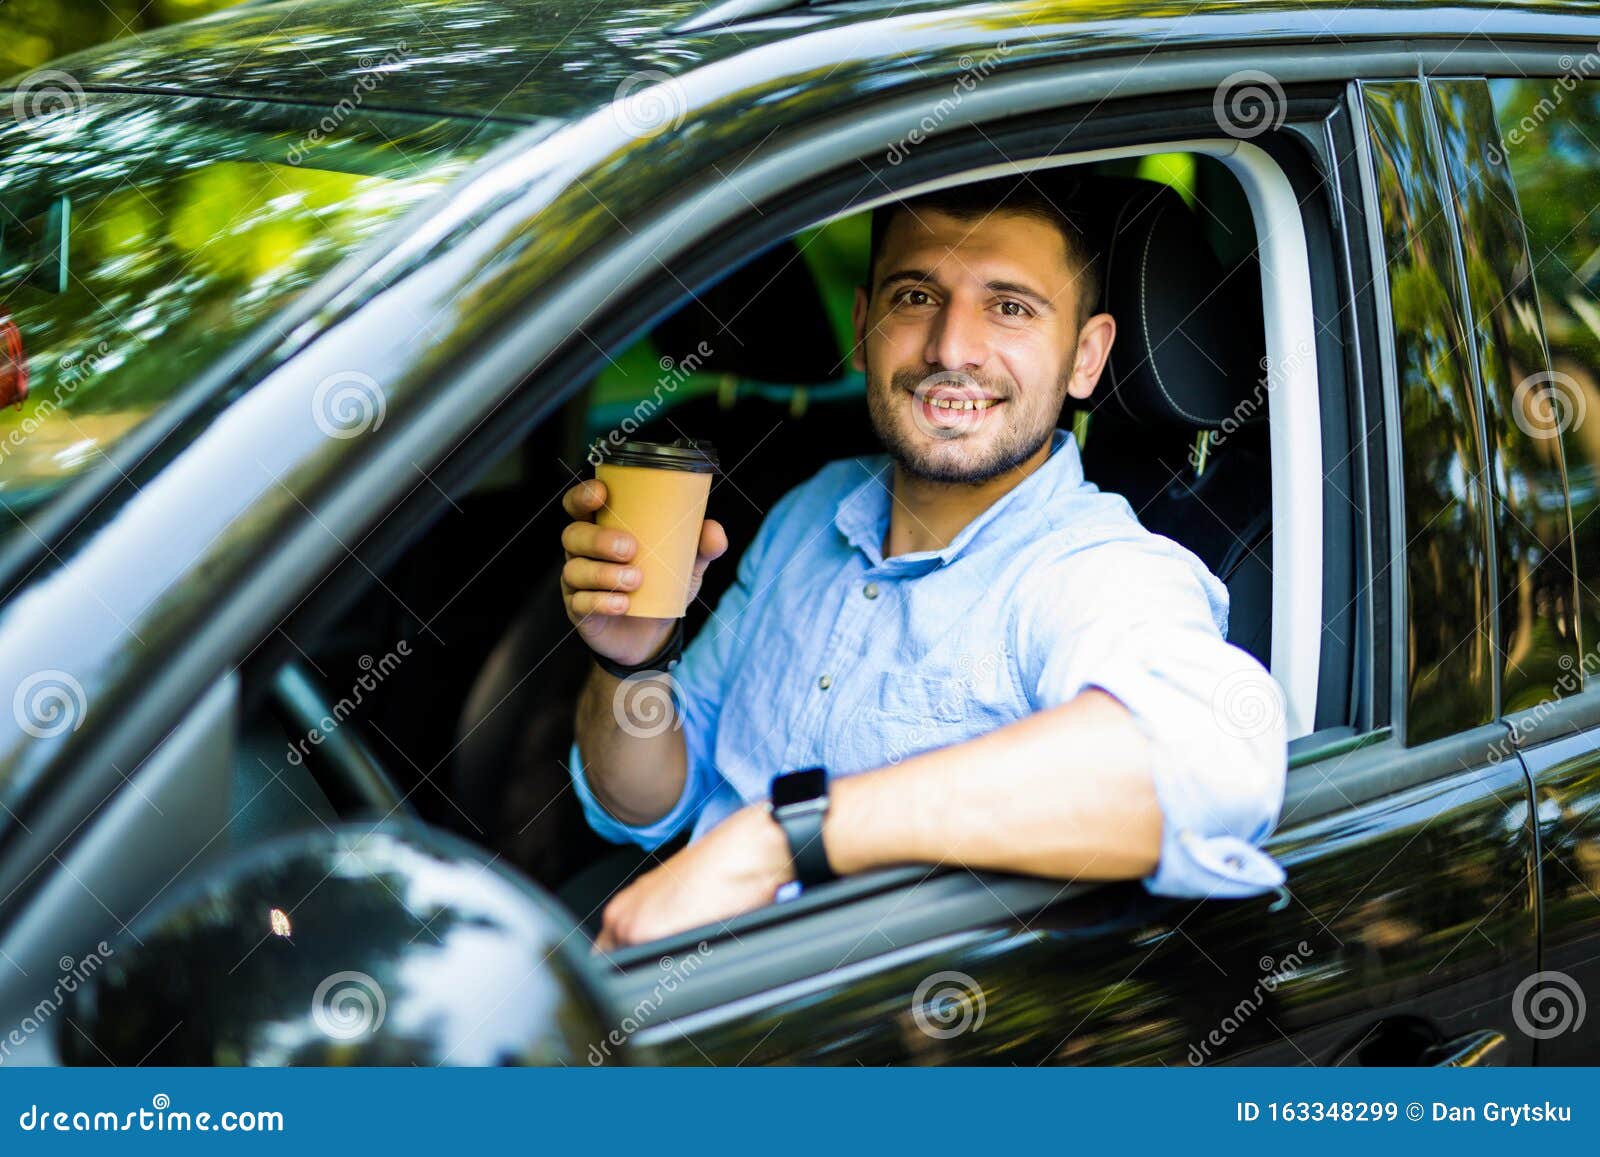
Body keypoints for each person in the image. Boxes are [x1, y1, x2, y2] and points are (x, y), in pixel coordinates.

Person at [559, 174, 1288, 952]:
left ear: (1085, 357)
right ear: (865, 323)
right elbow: (647, 804)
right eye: (915, 297)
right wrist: (633, 666)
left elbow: (1204, 763)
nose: (951, 348)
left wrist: (780, 839)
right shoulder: (813, 511)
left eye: (1009, 307)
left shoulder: (1098, 568)